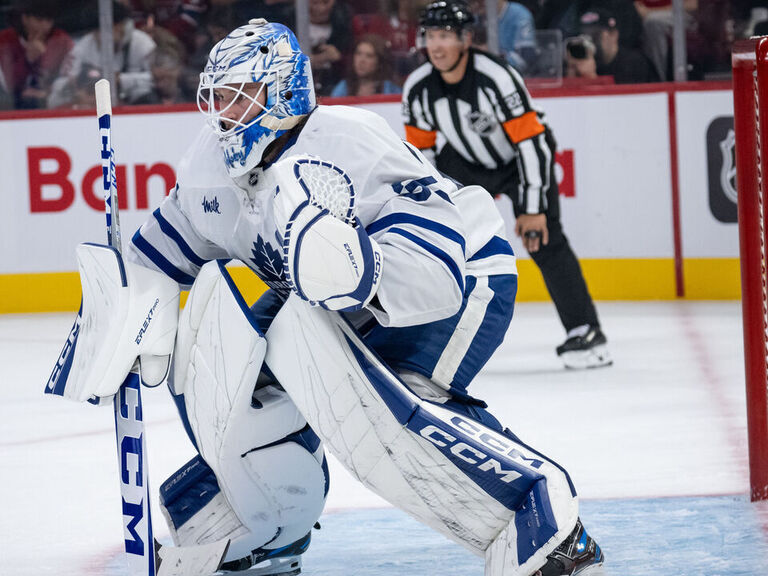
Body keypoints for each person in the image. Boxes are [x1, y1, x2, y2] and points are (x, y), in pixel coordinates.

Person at [46, 17, 604, 576]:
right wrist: (113, 318)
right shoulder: (209, 168)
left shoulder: (348, 142)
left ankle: (547, 525)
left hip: (461, 275)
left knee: (385, 411)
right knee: (228, 370)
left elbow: (437, 267)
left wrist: (361, 268)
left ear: (285, 92)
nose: (224, 113)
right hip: (327, 301)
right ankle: (268, 524)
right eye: (216, 96)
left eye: (241, 96)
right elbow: (156, 260)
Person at [402, 0, 611, 369]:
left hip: (521, 161)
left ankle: (586, 331)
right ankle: (431, 335)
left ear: (465, 39)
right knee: (440, 241)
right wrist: (434, 210)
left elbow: (530, 143)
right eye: (431, 36)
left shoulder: (496, 77)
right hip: (466, 162)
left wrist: (532, 209)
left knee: (544, 240)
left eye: (446, 36)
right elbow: (423, 158)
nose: (436, 45)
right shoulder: (418, 89)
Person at [48, 2, 156, 107]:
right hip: (94, 100)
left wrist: (122, 79)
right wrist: (75, 84)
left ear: (122, 26)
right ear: (94, 30)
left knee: (144, 92)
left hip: (132, 102)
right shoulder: (83, 47)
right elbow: (60, 83)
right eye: (102, 29)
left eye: (114, 26)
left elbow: (157, 77)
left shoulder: (142, 43)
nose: (108, 33)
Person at [0, 0, 74, 109]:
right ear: (25, 19)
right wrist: (28, 59)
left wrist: (43, 59)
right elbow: (8, 86)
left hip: (51, 101)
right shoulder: (6, 40)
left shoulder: (61, 40)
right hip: (12, 105)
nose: (45, 26)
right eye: (39, 20)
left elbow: (69, 79)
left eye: (48, 21)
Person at [571, 9, 658, 84]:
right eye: (584, 36)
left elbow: (625, 100)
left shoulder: (635, 64)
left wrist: (592, 78)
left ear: (614, 35)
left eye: (595, 36)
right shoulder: (582, 64)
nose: (590, 42)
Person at [330, 34, 401, 97]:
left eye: (369, 56)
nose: (361, 60)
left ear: (379, 62)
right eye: (358, 53)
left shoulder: (391, 90)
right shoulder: (343, 88)